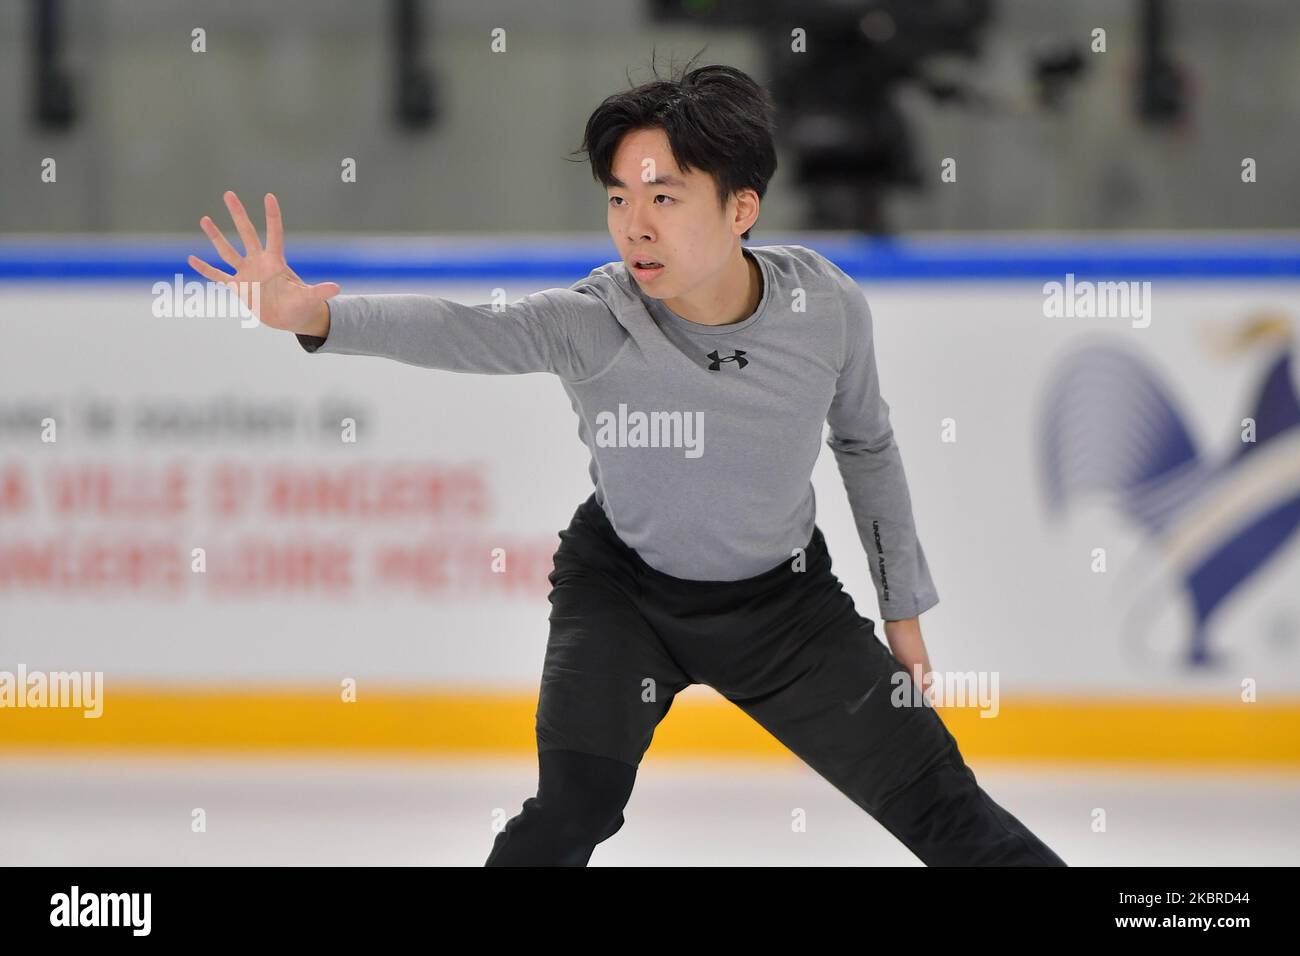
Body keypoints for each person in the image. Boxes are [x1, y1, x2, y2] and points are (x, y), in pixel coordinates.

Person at [189, 58, 1066, 868]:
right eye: (617, 199)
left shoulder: (823, 306)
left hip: (785, 612)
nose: (634, 229)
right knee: (572, 811)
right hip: (623, 594)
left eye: (664, 199)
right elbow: (472, 331)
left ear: (741, 208)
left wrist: (902, 614)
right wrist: (317, 318)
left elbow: (865, 443)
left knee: (944, 808)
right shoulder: (598, 318)